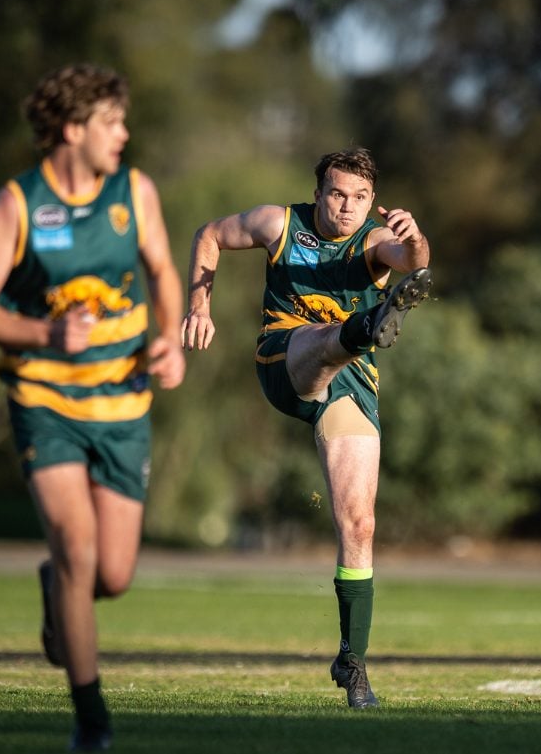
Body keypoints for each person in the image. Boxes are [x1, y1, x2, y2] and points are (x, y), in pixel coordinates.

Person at [0, 63, 185, 751]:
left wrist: (169, 339)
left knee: (110, 573)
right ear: (73, 128)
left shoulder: (134, 192)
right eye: (113, 122)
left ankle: (58, 585)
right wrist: (41, 333)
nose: (125, 133)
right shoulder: (17, 204)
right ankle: (92, 721)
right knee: (80, 550)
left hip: (122, 400)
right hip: (44, 400)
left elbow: (164, 271)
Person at [181, 147, 431, 709]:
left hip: (351, 382)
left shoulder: (373, 241)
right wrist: (199, 305)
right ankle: (369, 323)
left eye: (361, 198)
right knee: (323, 340)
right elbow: (210, 234)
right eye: (338, 194)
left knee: (360, 523)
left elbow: (415, 260)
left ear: (372, 201)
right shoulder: (279, 223)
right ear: (318, 191)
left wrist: (413, 239)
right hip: (285, 357)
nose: (348, 207)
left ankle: (353, 661)